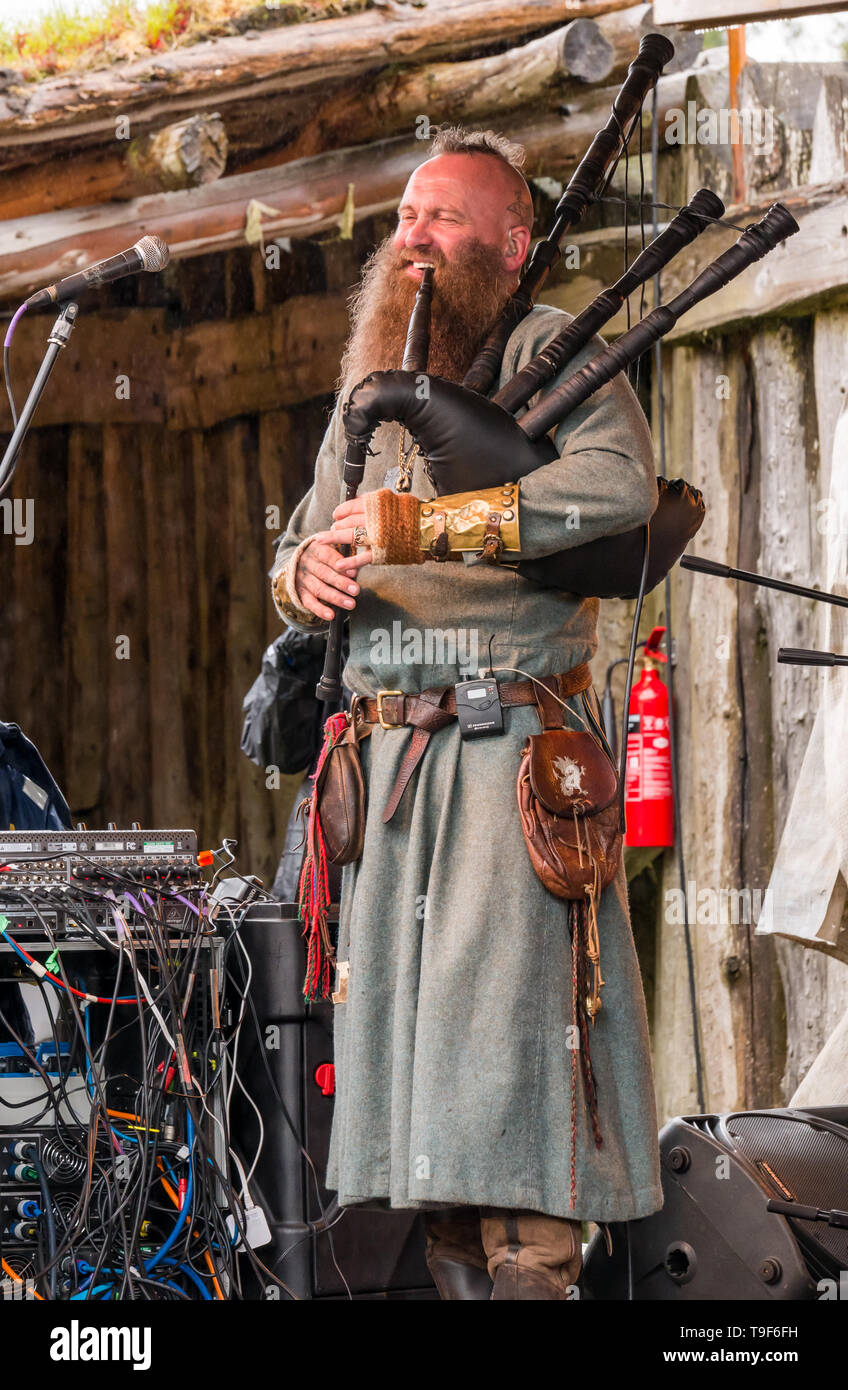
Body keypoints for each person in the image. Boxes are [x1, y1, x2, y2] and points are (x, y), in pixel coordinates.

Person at [270, 126, 663, 1300]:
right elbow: (300, 537)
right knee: (424, 1108)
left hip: (505, 760)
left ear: (510, 238)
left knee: (509, 1077)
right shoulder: (372, 381)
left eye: (443, 217)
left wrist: (426, 527)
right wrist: (305, 577)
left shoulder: (549, 347)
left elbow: (613, 490)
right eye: (405, 217)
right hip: (388, 780)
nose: (415, 238)